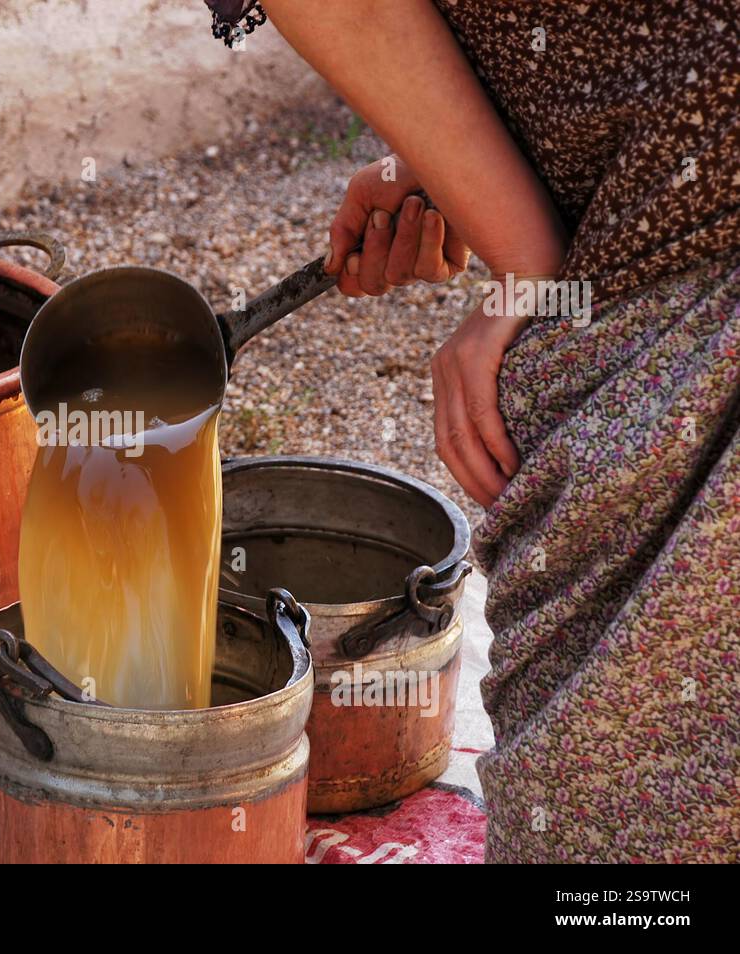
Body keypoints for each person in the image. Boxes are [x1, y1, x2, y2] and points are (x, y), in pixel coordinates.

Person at [206, 0, 739, 862]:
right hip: (653, 195)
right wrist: (457, 160)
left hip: (697, 242)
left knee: (616, 833)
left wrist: (527, 259)